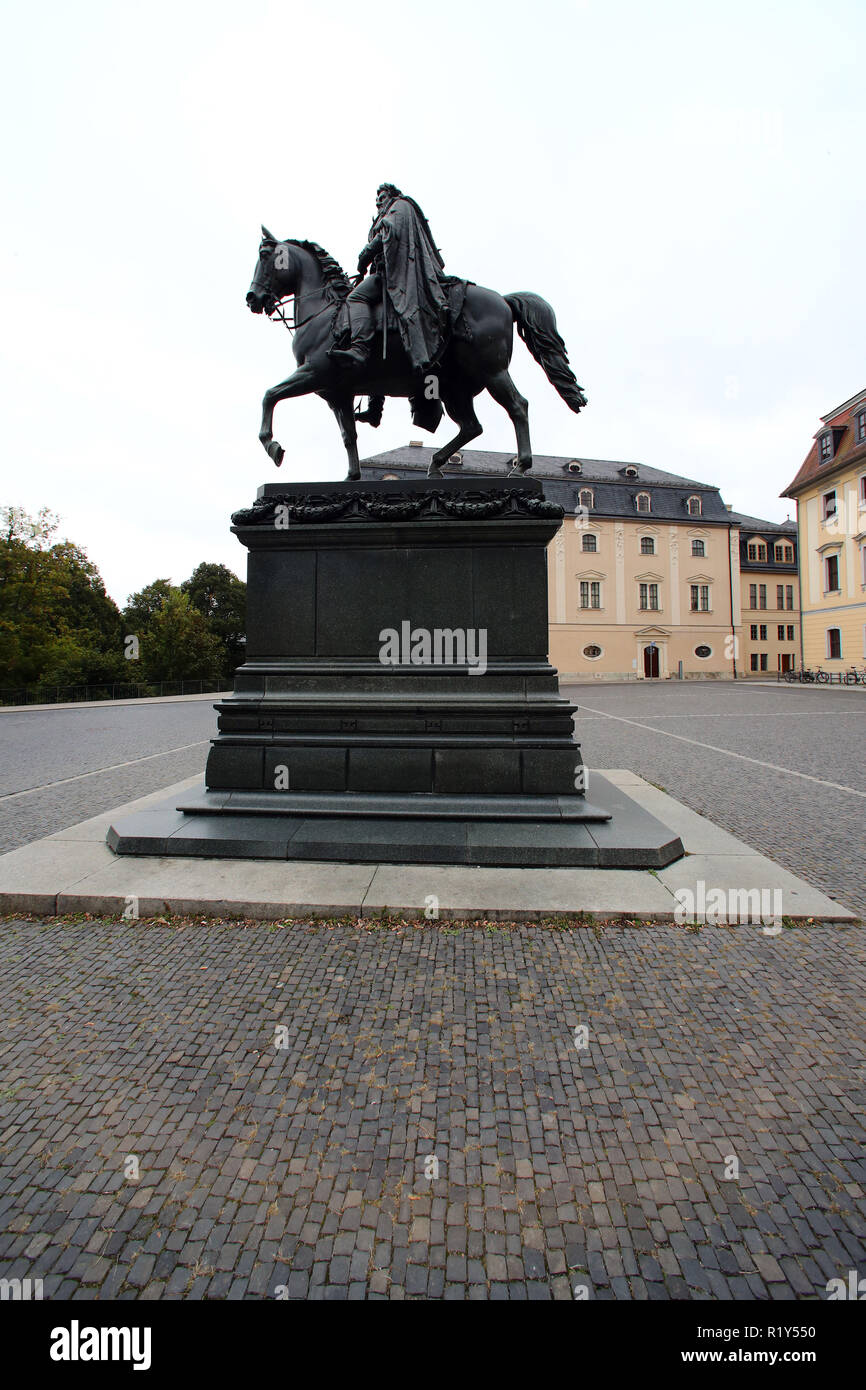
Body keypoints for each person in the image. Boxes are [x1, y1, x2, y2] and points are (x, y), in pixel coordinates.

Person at [329, 184, 451, 373]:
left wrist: (365, 255)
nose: (379, 201)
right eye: (377, 199)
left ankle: (360, 348)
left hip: (395, 274)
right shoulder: (390, 211)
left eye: (383, 196)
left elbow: (388, 234)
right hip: (385, 272)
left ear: (392, 196)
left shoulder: (400, 206)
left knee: (356, 297)